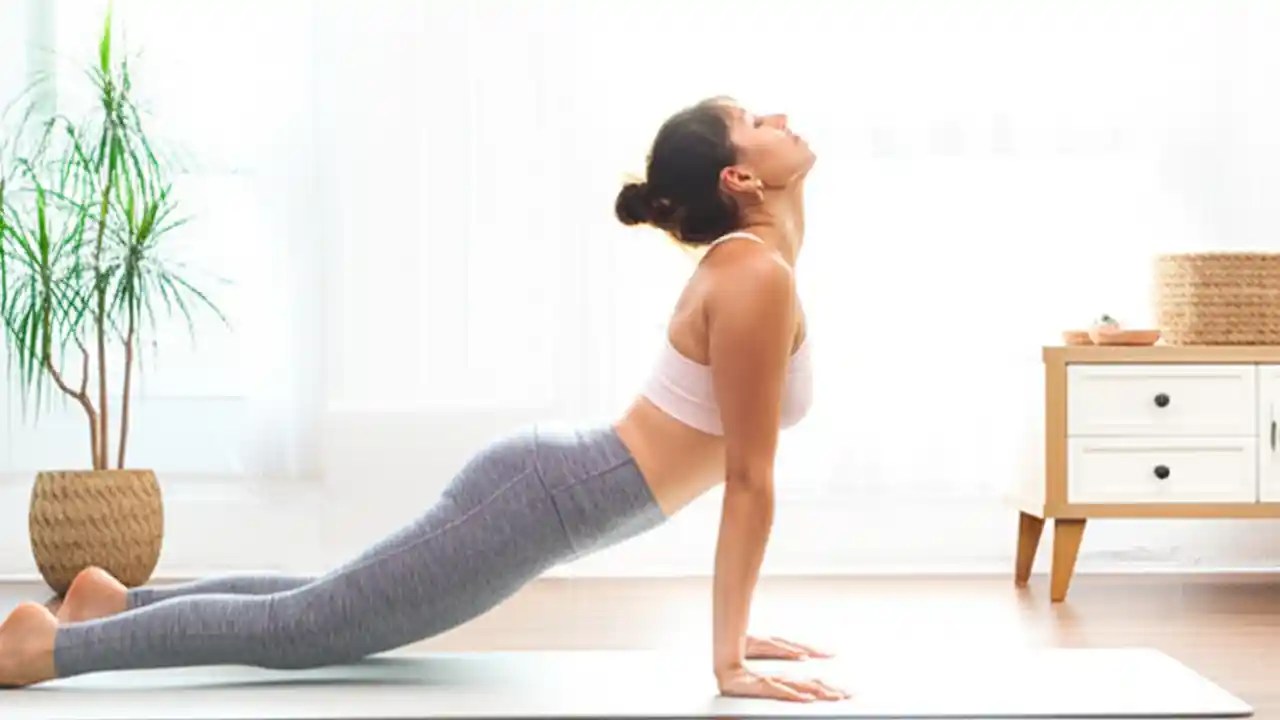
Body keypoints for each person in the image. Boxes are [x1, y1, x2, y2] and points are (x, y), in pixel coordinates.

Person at [0, 96, 844, 703]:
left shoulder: (756, 271)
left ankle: (113, 604)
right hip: (539, 500)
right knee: (308, 626)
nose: (777, 114)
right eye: (755, 121)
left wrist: (734, 642)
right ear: (740, 175)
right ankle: (54, 649)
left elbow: (740, 476)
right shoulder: (754, 277)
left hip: (549, 492)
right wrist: (727, 660)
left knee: (326, 598)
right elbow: (748, 481)